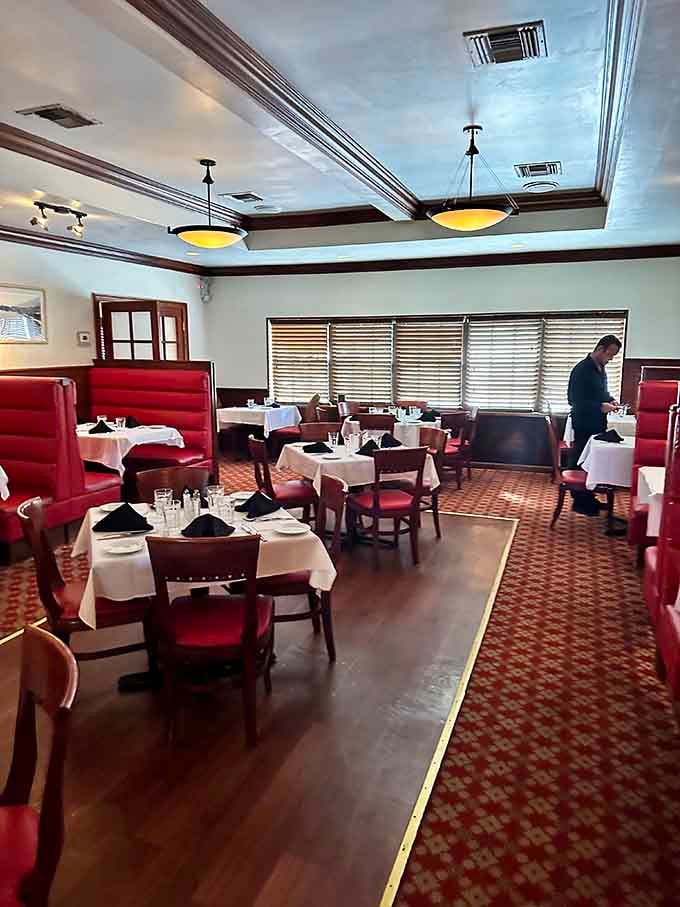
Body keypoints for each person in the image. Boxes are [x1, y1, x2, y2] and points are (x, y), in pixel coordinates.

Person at [567, 335, 622, 515]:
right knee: (581, 460)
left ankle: (588, 497)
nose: (611, 359)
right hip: (584, 422)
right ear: (600, 349)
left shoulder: (600, 368)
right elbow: (575, 401)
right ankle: (580, 501)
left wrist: (610, 400)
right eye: (610, 354)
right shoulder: (582, 370)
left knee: (591, 461)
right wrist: (600, 406)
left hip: (596, 422)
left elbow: (600, 392)